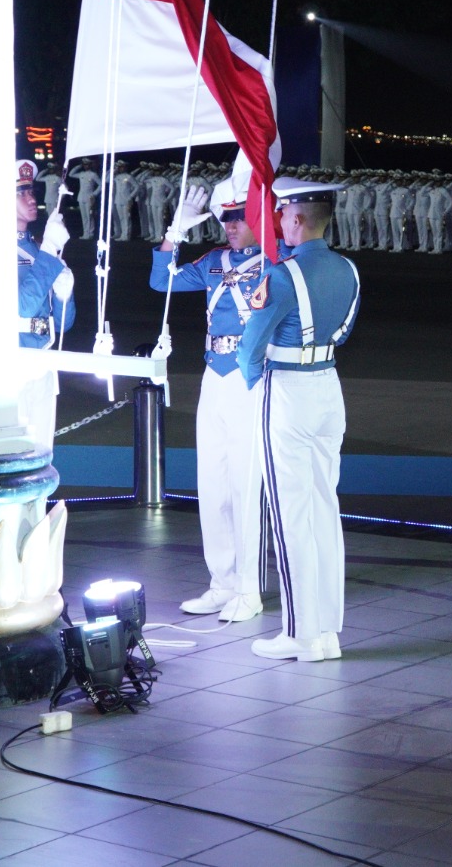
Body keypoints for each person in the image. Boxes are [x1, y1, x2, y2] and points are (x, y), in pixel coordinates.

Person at [237, 178, 360, 662]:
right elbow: (344, 332)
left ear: (297, 218)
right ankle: (326, 632)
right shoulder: (349, 269)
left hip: (287, 389)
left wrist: (251, 385)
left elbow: (252, 343)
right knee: (324, 509)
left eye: (284, 215)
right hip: (328, 387)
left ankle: (299, 634)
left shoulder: (285, 275)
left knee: (291, 515)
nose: (279, 223)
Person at [151, 180, 268, 623]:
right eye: (226, 218)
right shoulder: (214, 261)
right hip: (213, 374)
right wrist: (174, 233)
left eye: (239, 217)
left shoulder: (274, 264)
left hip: (248, 377)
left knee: (244, 484)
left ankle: (250, 588)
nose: (231, 225)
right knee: (213, 483)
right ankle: (222, 582)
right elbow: (160, 280)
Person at [16, 160, 75, 450]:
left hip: (42, 356)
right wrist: (50, 251)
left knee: (42, 452)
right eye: (21, 193)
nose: (31, 198)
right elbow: (22, 307)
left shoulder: (37, 248)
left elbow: (62, 324)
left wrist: (65, 296)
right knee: (10, 455)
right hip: (8, 362)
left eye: (31, 190)